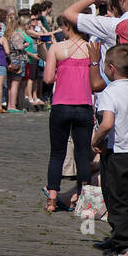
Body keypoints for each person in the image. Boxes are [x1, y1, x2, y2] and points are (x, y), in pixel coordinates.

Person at [92, 44, 128, 256]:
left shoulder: (109, 92)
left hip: (119, 151)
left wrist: (96, 140)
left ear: (111, 68)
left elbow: (107, 123)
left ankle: (122, 241)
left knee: (118, 199)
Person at [42, 15, 95, 213]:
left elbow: (48, 79)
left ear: (67, 27)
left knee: (57, 153)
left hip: (61, 105)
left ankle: (52, 197)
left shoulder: (57, 48)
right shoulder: (91, 48)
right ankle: (83, 197)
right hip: (84, 105)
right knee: (82, 154)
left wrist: (61, 73)